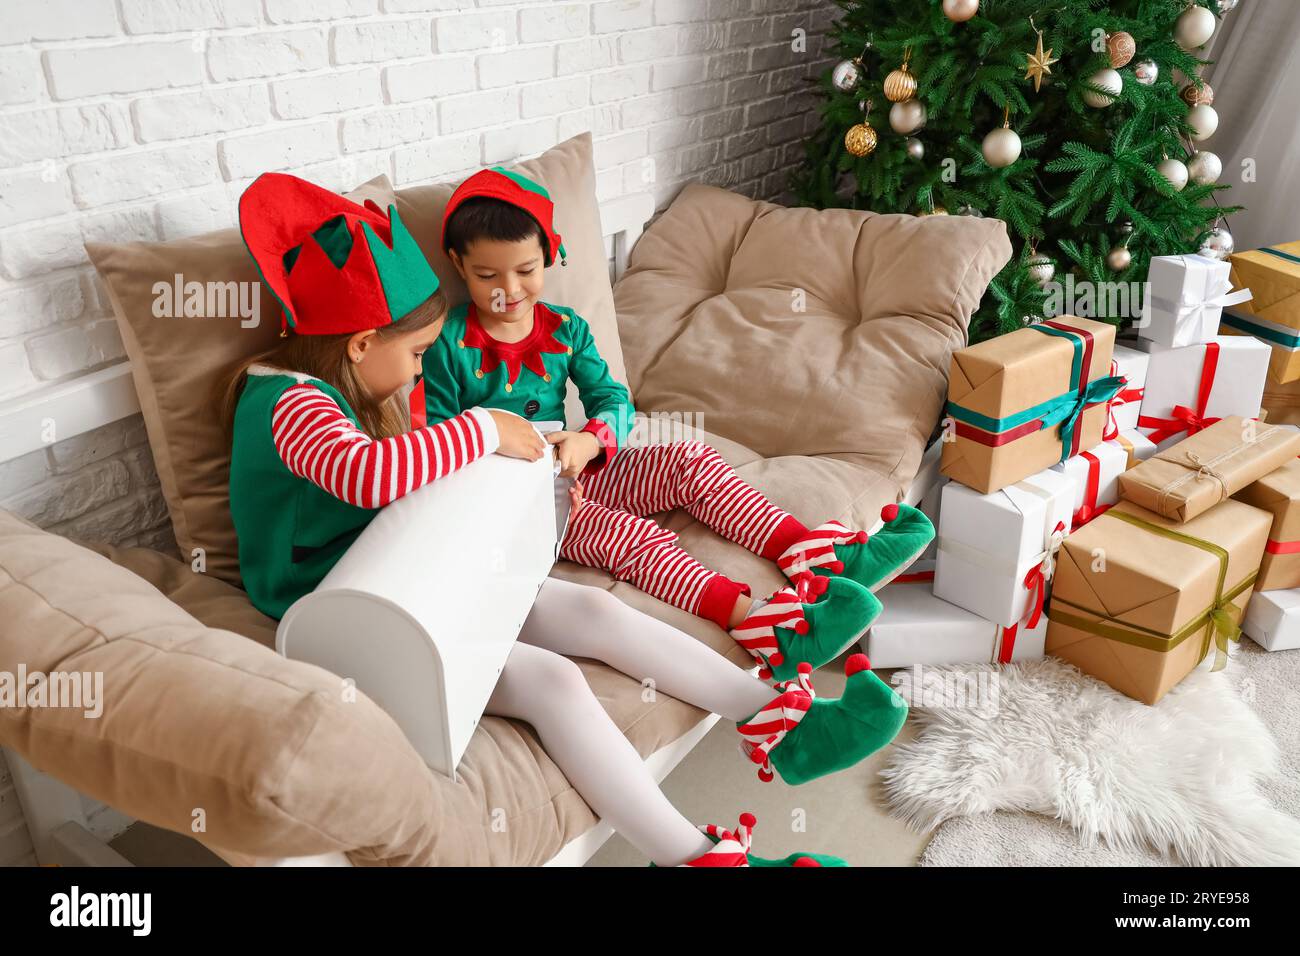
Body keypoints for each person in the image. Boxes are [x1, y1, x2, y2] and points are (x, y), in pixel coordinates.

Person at [222, 172, 908, 867]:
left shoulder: (329, 391)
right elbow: (370, 477)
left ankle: (774, 719)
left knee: (593, 613)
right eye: (417, 356)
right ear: (361, 344)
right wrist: (486, 427)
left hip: (417, 578)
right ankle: (692, 856)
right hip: (347, 619)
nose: (417, 373)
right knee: (556, 682)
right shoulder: (287, 403)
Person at [421, 167, 935, 682]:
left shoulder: (566, 328)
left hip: (584, 464)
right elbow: (443, 445)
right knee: (631, 536)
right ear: (458, 264)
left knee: (689, 461)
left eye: (525, 270)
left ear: (548, 257)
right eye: (487, 276)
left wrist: (590, 438)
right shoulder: (447, 344)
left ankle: (812, 555)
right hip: (526, 507)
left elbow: (613, 400)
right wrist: (520, 479)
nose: (508, 291)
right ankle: (759, 624)